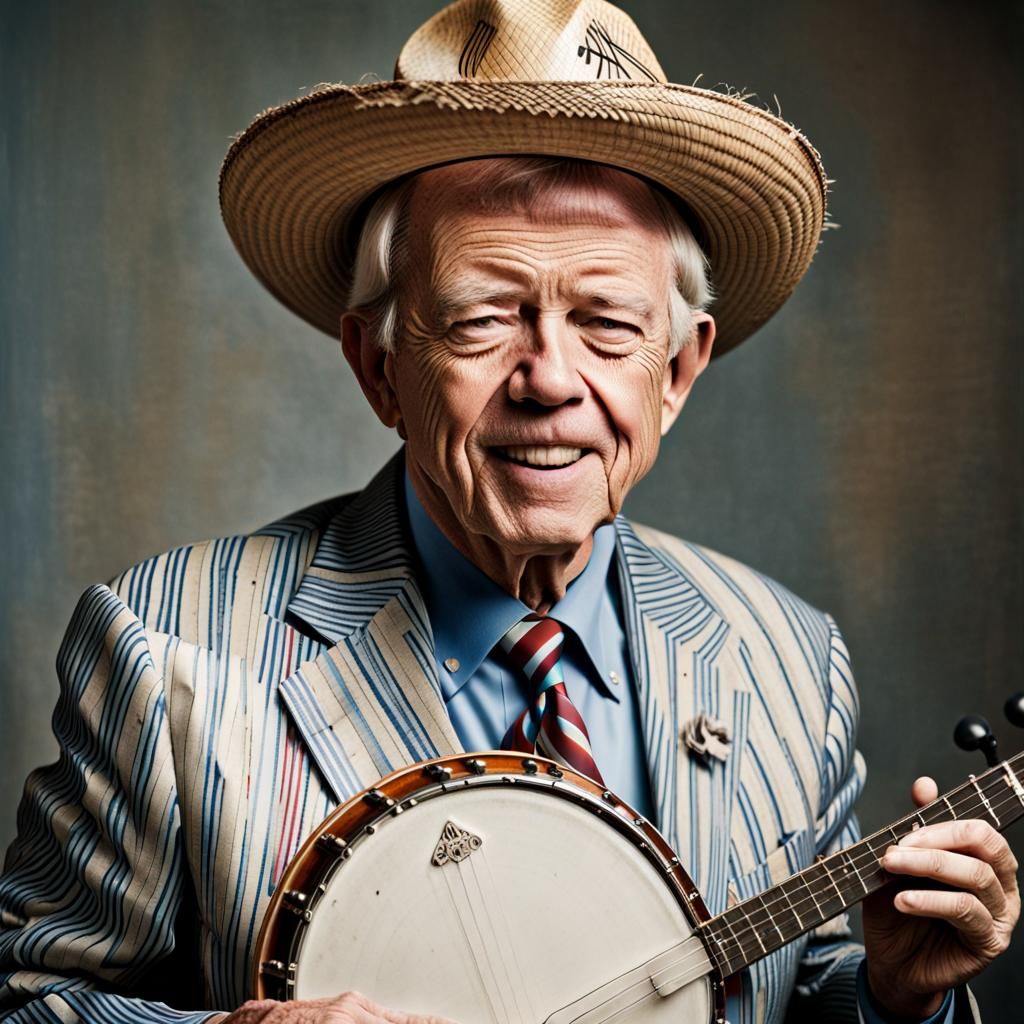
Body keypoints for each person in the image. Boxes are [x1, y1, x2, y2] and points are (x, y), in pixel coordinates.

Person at [0, 2, 1018, 1023]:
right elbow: (28, 996)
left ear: (678, 370)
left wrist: (892, 994)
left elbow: (793, 990)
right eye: (484, 317)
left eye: (608, 324)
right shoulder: (168, 648)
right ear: (378, 366)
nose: (549, 380)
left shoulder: (786, 661)